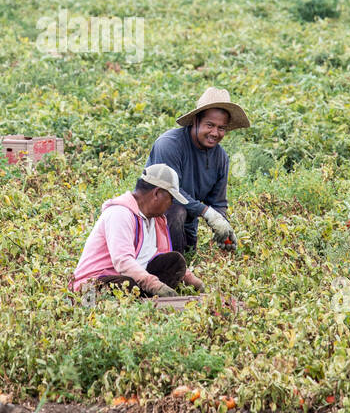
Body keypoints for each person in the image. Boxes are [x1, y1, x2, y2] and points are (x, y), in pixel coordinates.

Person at [71, 164, 204, 297]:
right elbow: (122, 261)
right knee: (129, 285)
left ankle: (147, 300)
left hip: (128, 279)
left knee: (174, 262)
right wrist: (154, 285)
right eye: (171, 198)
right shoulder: (120, 213)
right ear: (157, 193)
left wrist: (196, 283)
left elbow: (163, 253)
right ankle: (144, 301)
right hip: (92, 286)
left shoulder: (155, 219)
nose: (171, 204)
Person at [146, 87, 249, 255]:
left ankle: (180, 265)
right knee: (175, 210)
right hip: (152, 225)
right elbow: (170, 192)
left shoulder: (221, 157)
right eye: (210, 125)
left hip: (186, 227)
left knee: (188, 257)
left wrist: (224, 228)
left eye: (221, 128)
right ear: (195, 121)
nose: (215, 133)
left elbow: (218, 202)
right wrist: (206, 212)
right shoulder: (169, 145)